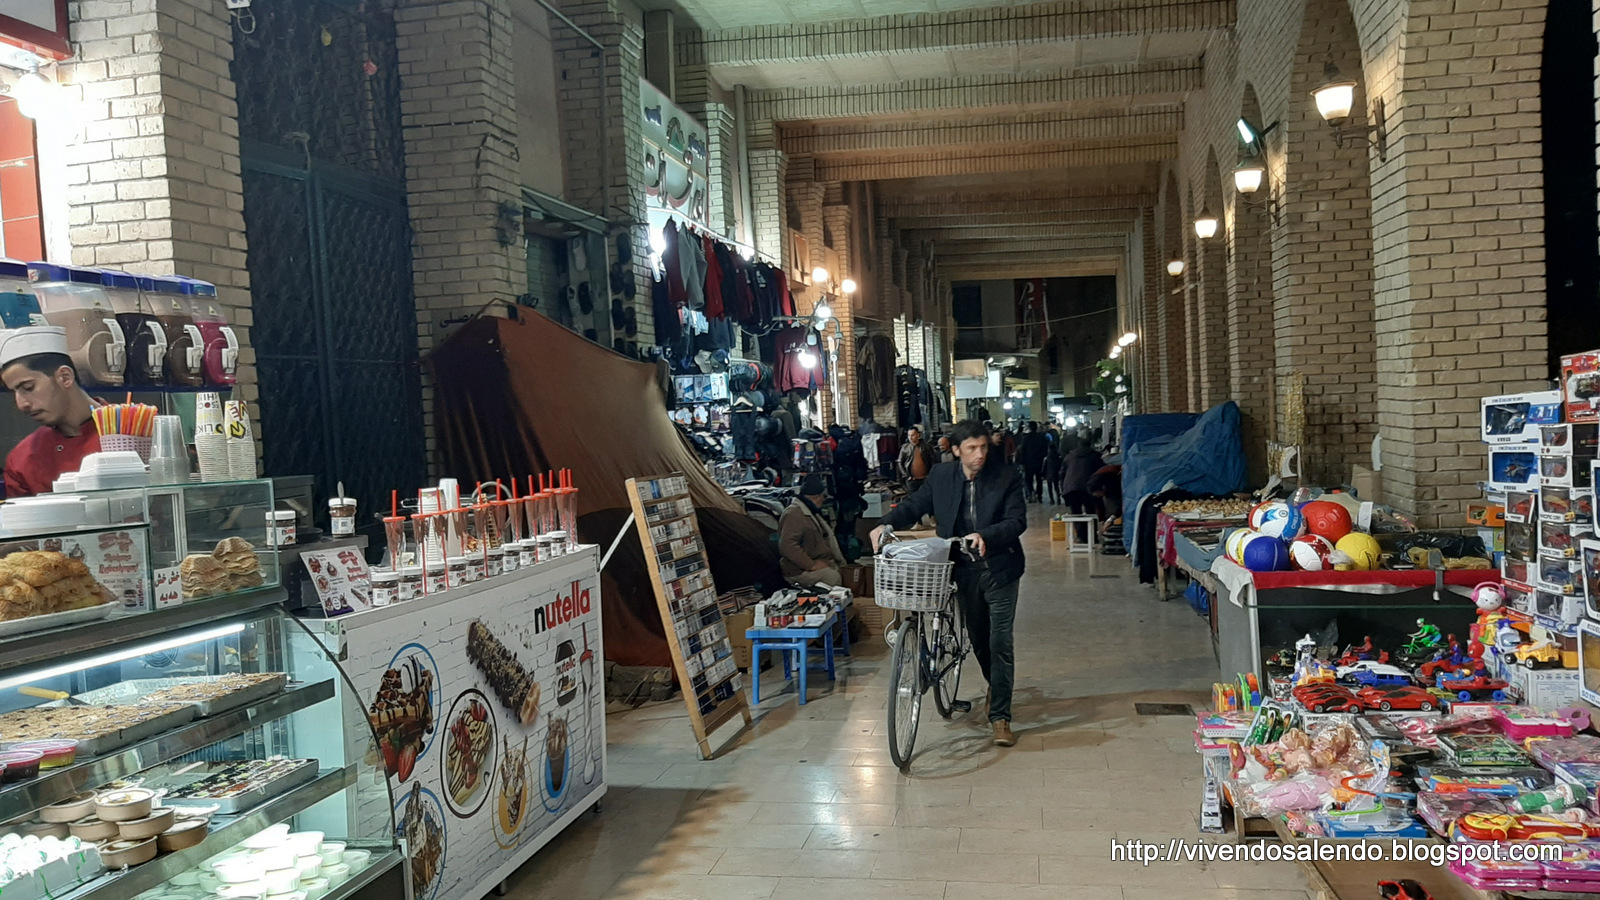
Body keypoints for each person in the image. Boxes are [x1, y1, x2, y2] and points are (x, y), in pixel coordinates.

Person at [871, 419, 1027, 747]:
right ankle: (994, 688)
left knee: (1001, 643)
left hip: (1001, 571)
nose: (979, 454)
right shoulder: (942, 477)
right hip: (962, 572)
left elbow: (1017, 521)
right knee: (980, 640)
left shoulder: (1006, 476)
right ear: (956, 451)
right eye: (971, 448)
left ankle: (1000, 716)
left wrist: (986, 535)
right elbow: (914, 506)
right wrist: (883, 524)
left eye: (983, 447)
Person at [1, 327, 101, 499]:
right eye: (13, 393)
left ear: (65, 377)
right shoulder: (22, 460)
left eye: (28, 388)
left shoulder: (137, 429)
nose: (21, 404)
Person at [777, 474, 846, 587]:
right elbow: (787, 545)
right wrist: (811, 565)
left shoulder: (811, 512)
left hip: (819, 561)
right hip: (799, 570)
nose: (824, 500)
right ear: (816, 497)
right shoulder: (794, 514)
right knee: (832, 577)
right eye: (823, 496)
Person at [1060, 441, 1104, 516]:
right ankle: (1091, 527)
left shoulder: (1069, 456)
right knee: (1091, 513)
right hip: (1089, 488)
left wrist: (1063, 489)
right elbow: (1101, 473)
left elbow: (1062, 474)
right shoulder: (1095, 456)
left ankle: (1080, 528)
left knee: (1076, 514)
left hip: (1071, 488)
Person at [1017, 422, 1047, 502]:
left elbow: (1022, 450)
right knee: (1039, 479)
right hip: (1039, 462)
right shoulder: (1041, 437)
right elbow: (1045, 450)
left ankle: (1031, 493)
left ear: (1029, 427)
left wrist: (1021, 461)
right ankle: (1040, 496)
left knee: (1028, 479)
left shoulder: (1026, 438)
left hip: (1028, 462)